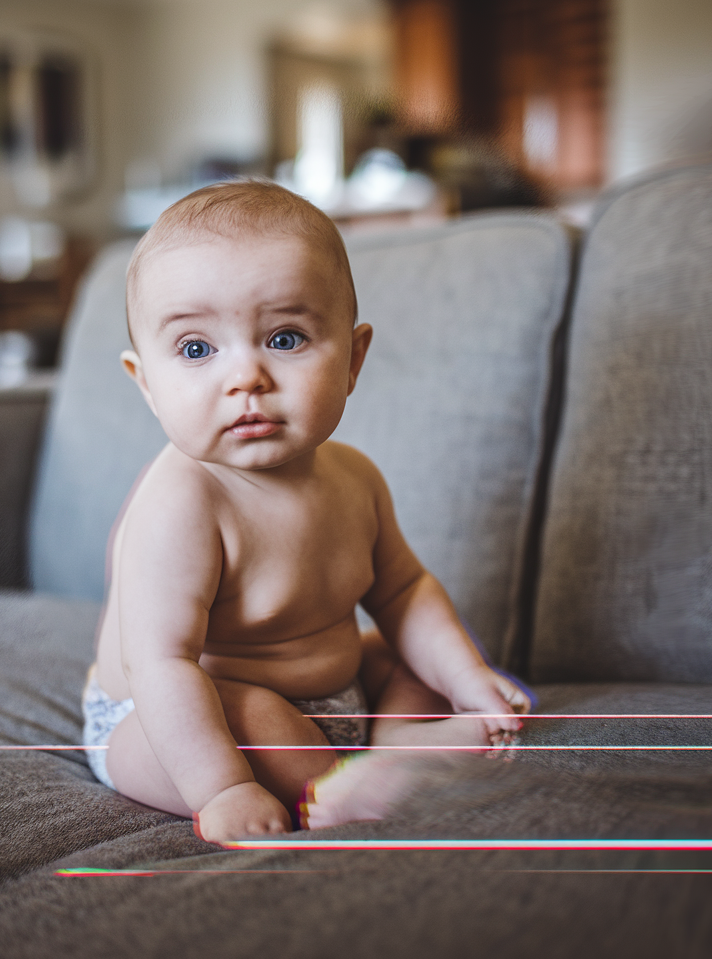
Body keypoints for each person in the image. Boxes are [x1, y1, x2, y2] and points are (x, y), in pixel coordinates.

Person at [82, 180, 531, 844]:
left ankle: (401, 752)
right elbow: (163, 665)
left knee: (409, 658)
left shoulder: (356, 479)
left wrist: (465, 677)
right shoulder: (181, 502)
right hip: (171, 718)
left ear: (352, 359)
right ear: (146, 382)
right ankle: (341, 783)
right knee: (253, 717)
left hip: (336, 692)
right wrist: (223, 789)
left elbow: (404, 592)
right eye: (197, 349)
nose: (247, 378)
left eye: (285, 338)